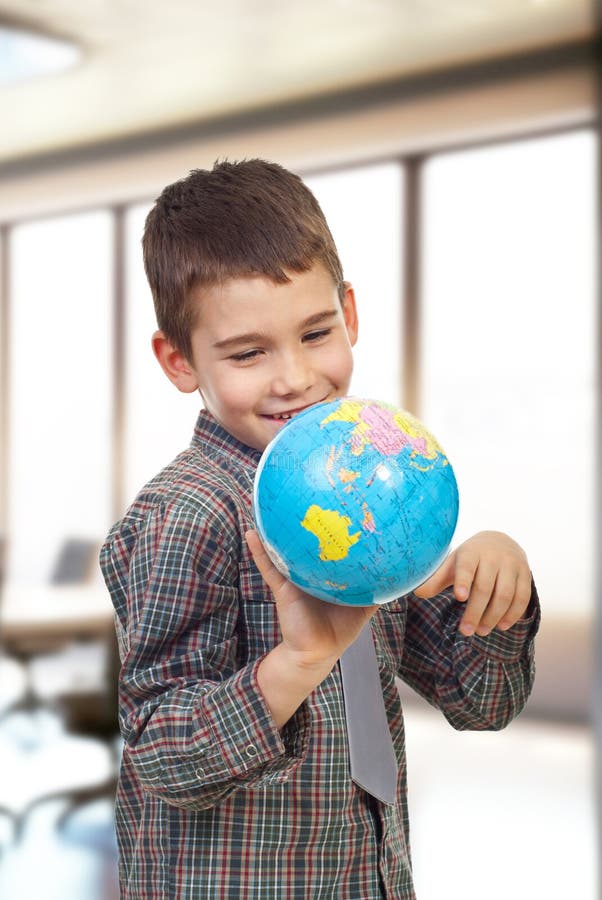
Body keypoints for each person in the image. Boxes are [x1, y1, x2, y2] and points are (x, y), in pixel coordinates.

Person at [100, 158, 539, 900]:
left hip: (365, 875)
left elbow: (481, 702)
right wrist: (296, 662)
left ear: (350, 315)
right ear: (179, 360)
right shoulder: (187, 515)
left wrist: (498, 588)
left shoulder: (368, 490)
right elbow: (160, 756)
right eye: (248, 352)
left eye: (315, 332)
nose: (296, 378)